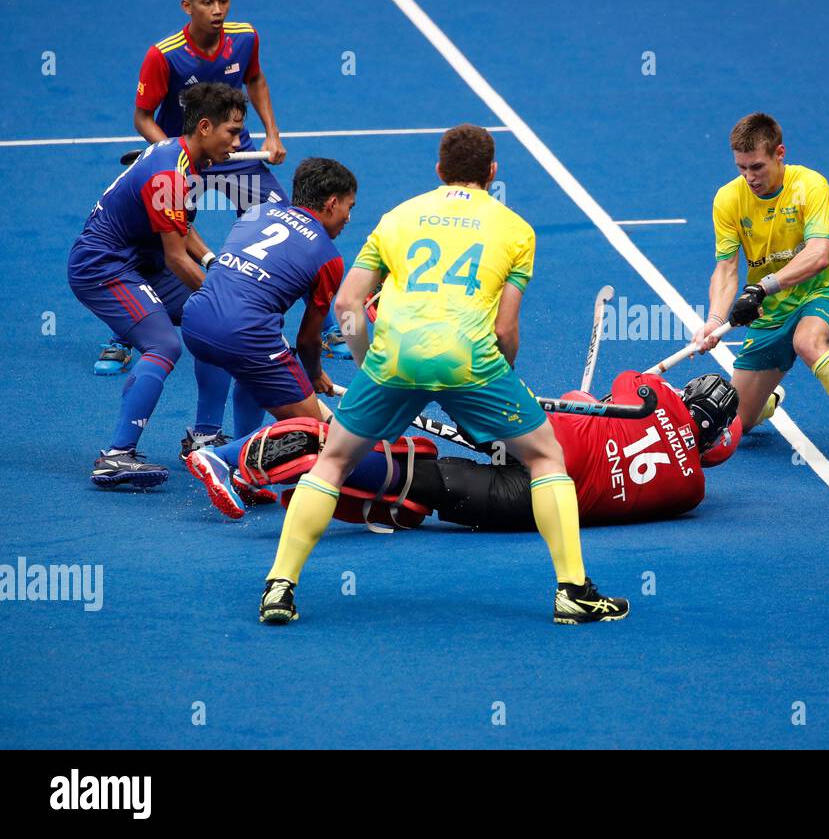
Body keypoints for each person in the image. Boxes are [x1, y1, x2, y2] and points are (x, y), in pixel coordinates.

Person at [257, 123, 630, 626]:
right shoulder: (516, 229)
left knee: (334, 461)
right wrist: (503, 389)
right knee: (544, 456)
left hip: (392, 360)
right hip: (470, 363)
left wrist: (371, 366)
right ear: (492, 173)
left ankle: (280, 588)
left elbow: (347, 304)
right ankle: (573, 592)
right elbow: (505, 329)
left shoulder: (397, 218)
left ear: (439, 171)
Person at [97, 0, 347, 373]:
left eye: (224, 0)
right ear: (187, 5)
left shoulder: (245, 38)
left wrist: (272, 133)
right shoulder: (164, 56)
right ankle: (125, 331)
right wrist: (175, 155)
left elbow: (256, 80)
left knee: (289, 228)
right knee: (158, 240)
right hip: (186, 157)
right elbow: (142, 117)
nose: (218, 10)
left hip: (237, 153)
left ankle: (323, 324)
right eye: (208, 2)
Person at [187, 371, 741, 527]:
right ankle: (292, 473)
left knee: (432, 407)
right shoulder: (691, 490)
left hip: (533, 435)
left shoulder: (648, 390)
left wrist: (577, 397)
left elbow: (602, 394)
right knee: (421, 481)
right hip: (535, 501)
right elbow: (709, 455)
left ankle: (246, 458)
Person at [67, 83, 247, 488]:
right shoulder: (171, 174)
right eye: (232, 132)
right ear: (204, 127)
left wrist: (213, 265)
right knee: (165, 344)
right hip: (105, 267)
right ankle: (116, 456)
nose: (238, 142)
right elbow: (175, 257)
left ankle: (204, 439)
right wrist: (223, 295)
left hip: (141, 259)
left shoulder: (181, 156)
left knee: (211, 324)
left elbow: (182, 231)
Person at [180, 158, 354, 467]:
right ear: (331, 203)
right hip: (245, 335)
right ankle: (218, 460)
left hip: (195, 319)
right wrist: (313, 375)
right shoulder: (329, 257)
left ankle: (242, 469)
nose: (349, 218)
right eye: (348, 207)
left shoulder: (257, 212)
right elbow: (309, 339)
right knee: (314, 434)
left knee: (258, 370)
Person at [690, 112, 829, 432]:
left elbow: (818, 254)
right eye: (741, 168)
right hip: (772, 311)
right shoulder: (728, 199)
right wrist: (714, 320)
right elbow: (726, 269)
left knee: (809, 341)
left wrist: (763, 287)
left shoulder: (809, 185)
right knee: (735, 424)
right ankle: (766, 397)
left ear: (780, 154)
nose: (749, 177)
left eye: (757, 167)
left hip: (821, 291)